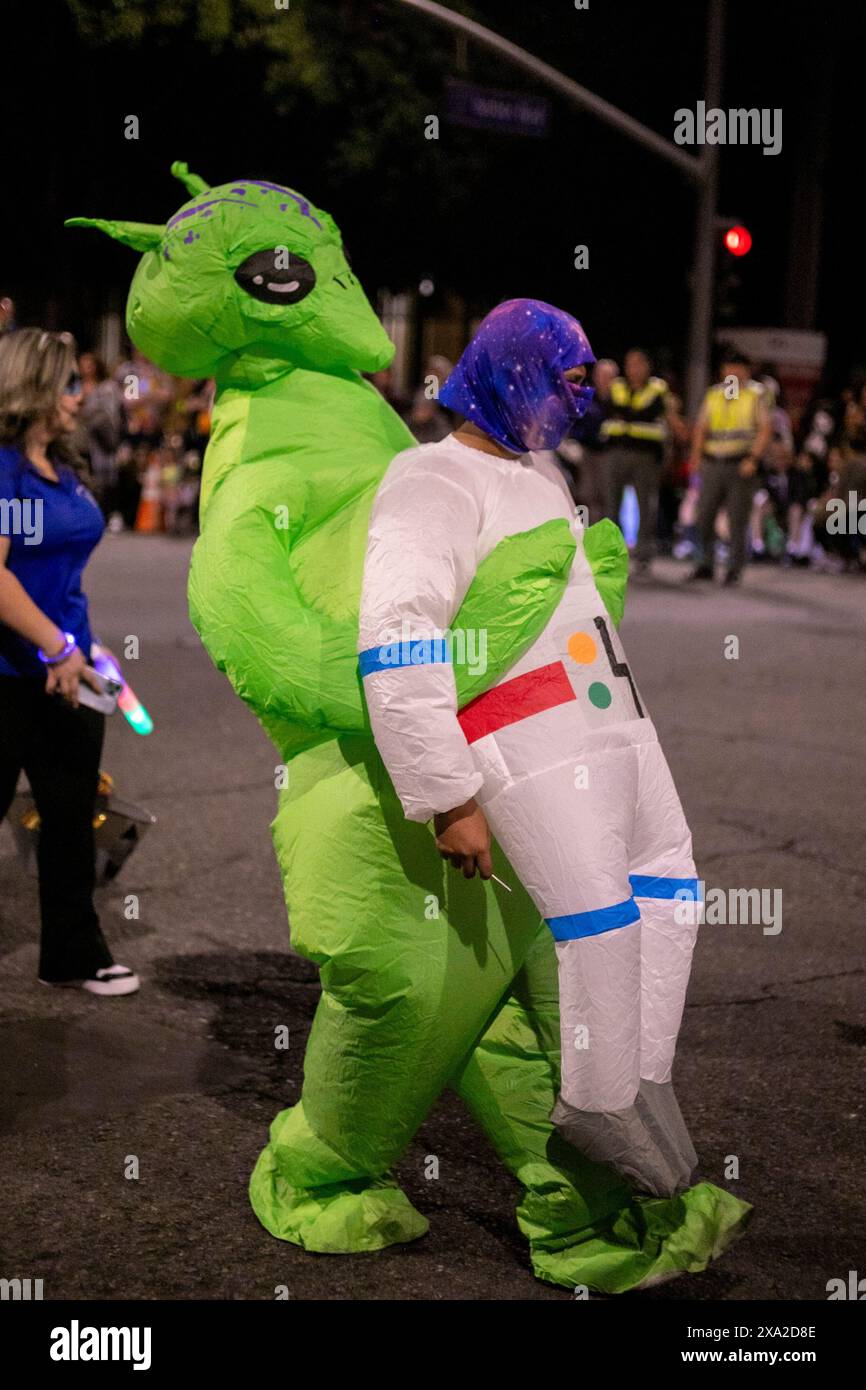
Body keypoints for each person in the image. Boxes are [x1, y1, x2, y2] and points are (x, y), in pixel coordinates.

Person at [359, 300, 751, 1239]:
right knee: (601, 926)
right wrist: (448, 794)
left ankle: (636, 1088)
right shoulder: (431, 481)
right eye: (570, 381)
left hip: (613, 726)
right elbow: (398, 636)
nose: (584, 399)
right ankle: (598, 1112)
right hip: (527, 740)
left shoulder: (541, 477)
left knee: (669, 893)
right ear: (514, 376)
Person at [0, 328, 139, 996]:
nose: (81, 396)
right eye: (70, 383)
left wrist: (79, 651)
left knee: (69, 819)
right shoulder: (3, 466)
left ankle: (73, 953)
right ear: (32, 385)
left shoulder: (63, 464)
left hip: (69, 672)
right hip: (9, 676)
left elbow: (63, 572)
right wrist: (52, 643)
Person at [689, 350, 772, 584]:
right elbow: (701, 428)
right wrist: (696, 457)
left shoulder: (755, 394)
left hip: (740, 463)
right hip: (713, 462)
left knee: (738, 519)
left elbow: (765, 428)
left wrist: (753, 459)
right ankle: (704, 564)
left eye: (738, 368)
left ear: (747, 371)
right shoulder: (714, 394)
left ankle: (734, 568)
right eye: (729, 367)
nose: (732, 372)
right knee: (704, 515)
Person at [602, 348, 677, 575]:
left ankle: (643, 556)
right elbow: (613, 409)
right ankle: (611, 555)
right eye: (629, 364)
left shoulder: (657, 388)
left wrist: (628, 415)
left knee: (646, 505)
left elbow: (646, 412)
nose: (633, 369)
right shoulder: (617, 386)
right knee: (611, 505)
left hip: (645, 456)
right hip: (617, 452)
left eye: (638, 364)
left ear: (647, 366)